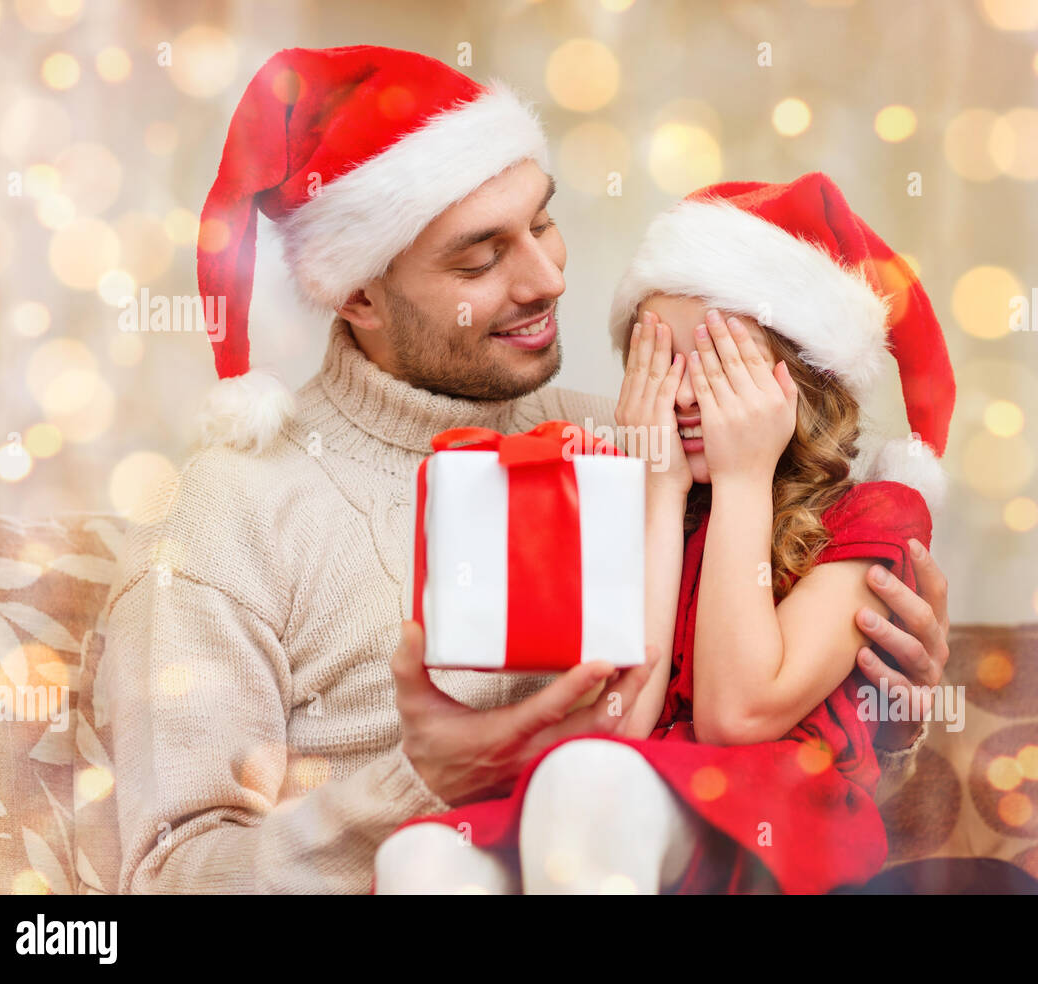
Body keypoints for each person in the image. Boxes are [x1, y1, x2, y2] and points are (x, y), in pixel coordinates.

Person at [101, 47, 950, 895]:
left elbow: (745, 737)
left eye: (544, 222)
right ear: (357, 294)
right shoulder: (226, 514)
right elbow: (173, 882)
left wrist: (881, 696)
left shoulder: (642, 439)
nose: (548, 280)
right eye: (479, 259)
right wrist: (420, 785)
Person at [375, 173, 955, 894]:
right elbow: (622, 721)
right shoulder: (646, 503)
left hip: (770, 819)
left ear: (802, 377)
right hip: (621, 799)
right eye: (659, 362)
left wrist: (745, 480)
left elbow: (736, 716)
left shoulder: (875, 512)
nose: (682, 395)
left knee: (588, 778)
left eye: (716, 364)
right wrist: (657, 487)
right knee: (419, 858)